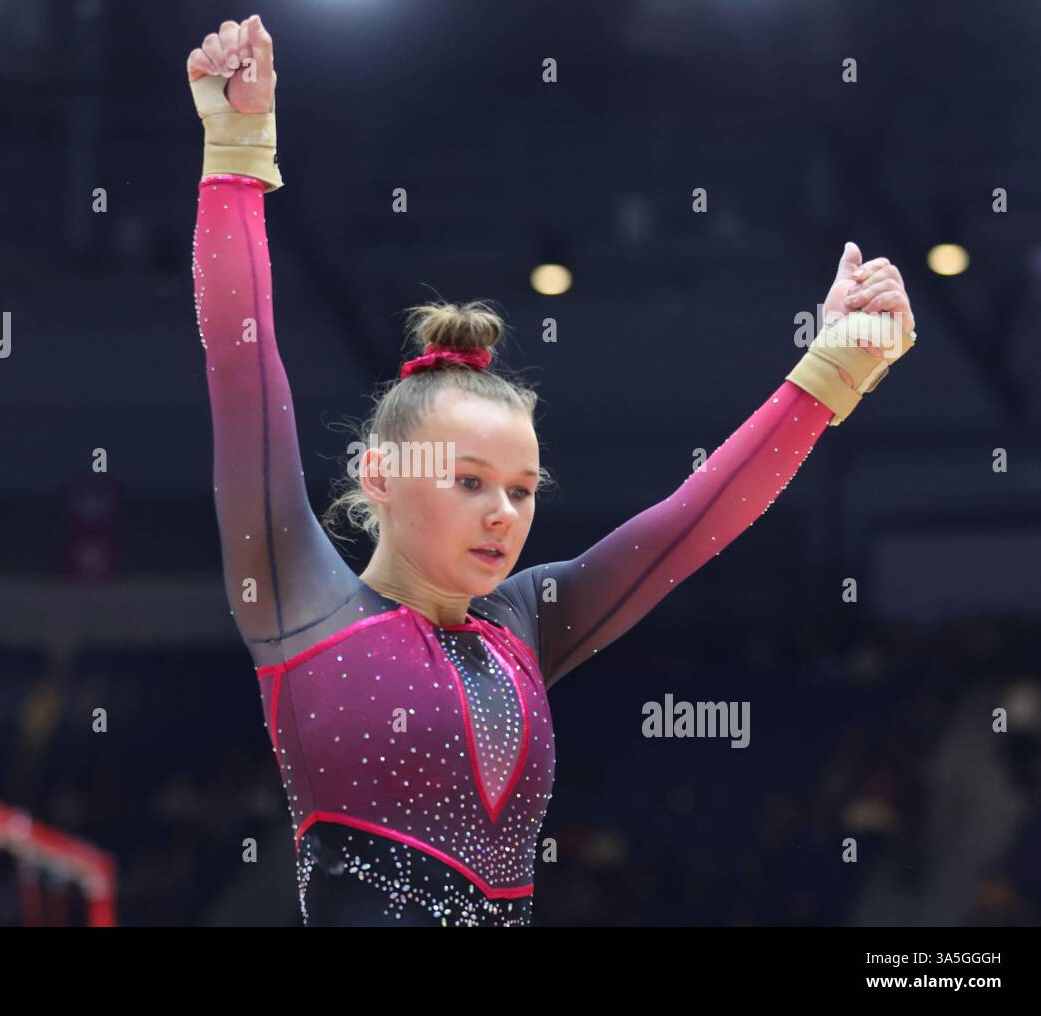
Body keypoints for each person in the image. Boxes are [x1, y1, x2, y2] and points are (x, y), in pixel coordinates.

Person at [187, 14, 917, 926]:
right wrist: (236, 148)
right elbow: (242, 368)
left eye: (524, 491)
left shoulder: (522, 624)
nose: (505, 514)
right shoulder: (301, 603)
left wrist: (834, 367)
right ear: (379, 473)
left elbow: (691, 524)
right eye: (469, 481)